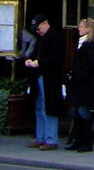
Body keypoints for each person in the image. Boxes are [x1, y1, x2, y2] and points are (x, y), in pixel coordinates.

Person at [25, 14, 65, 150]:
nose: (37, 31)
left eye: (38, 27)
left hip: (50, 78)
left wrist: (39, 62)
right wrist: (31, 61)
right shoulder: (42, 38)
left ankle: (51, 139)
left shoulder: (55, 37)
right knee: (39, 107)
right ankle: (40, 137)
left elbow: (56, 58)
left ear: (46, 23)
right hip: (39, 76)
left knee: (48, 108)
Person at [66, 18, 94, 153]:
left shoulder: (91, 45)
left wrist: (81, 74)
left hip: (85, 85)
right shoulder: (81, 43)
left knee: (83, 112)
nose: (79, 29)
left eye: (81, 27)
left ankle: (86, 142)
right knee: (76, 112)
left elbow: (93, 65)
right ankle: (78, 140)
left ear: (88, 29)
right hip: (77, 84)